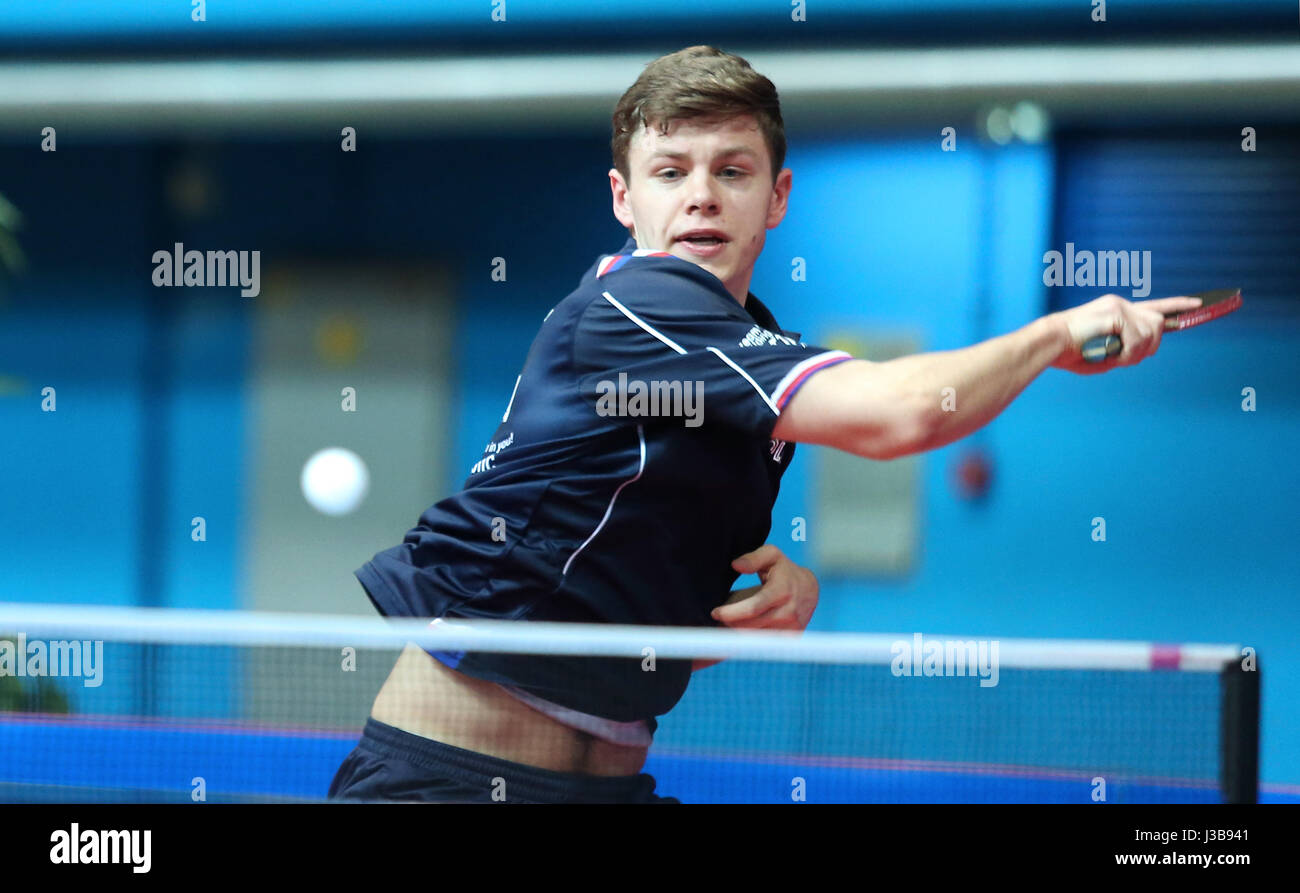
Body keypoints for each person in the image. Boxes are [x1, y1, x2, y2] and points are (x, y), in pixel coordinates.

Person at [328, 45, 1200, 804]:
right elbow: (900, 413)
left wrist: (755, 614)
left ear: (777, 196)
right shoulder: (637, 303)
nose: (700, 197)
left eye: (732, 170)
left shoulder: (748, 359)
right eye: (670, 171)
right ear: (624, 199)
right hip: (446, 780)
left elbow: (622, 637)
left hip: (603, 782)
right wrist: (1049, 333)